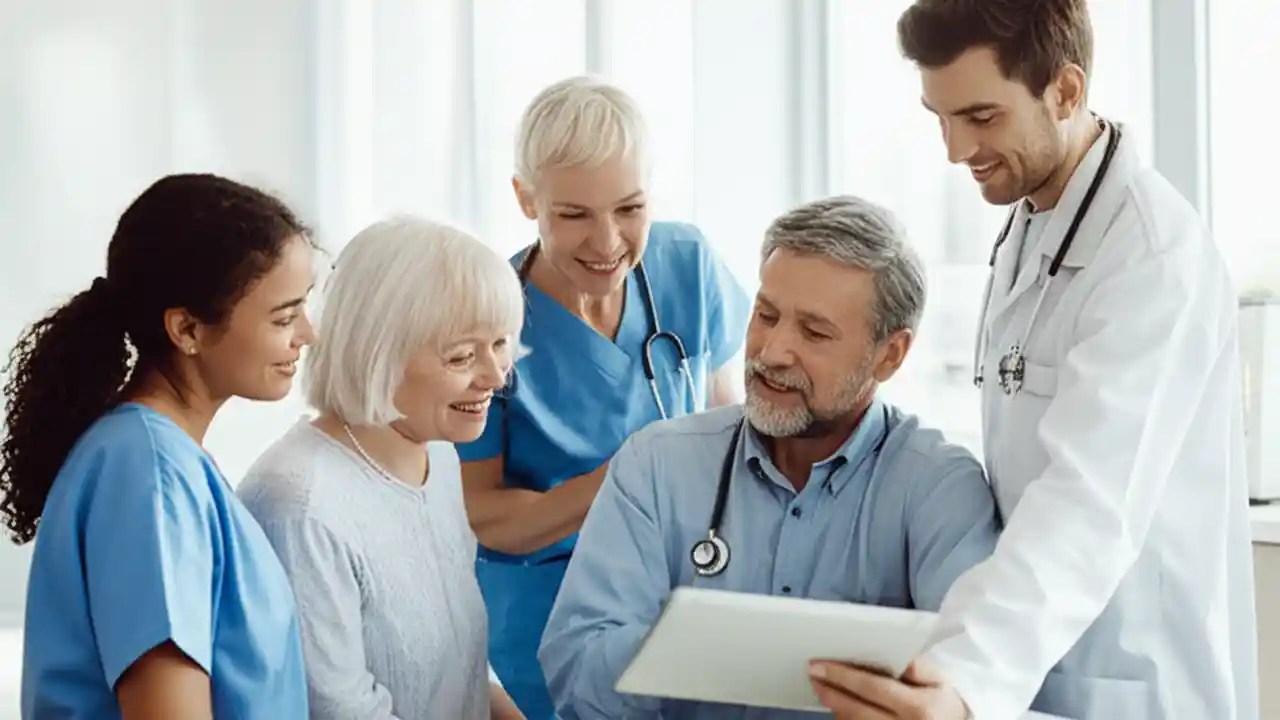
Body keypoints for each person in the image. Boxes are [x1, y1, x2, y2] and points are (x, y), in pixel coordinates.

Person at [808, 2, 1260, 719]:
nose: (955, 150)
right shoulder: (1032, 216)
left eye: (981, 118)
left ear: (1067, 90)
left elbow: (1088, 503)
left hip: (1132, 678)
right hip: (1036, 664)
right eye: (941, 117)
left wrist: (962, 679)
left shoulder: (1150, 257)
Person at [539, 195, 1002, 719]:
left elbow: (967, 678)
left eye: (814, 332)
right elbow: (575, 670)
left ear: (889, 353)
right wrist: (705, 649)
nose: (773, 350)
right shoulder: (657, 464)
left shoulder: (939, 489)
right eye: (766, 315)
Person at [457, 75, 752, 719]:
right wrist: (626, 481)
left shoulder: (686, 264)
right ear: (524, 199)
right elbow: (482, 513)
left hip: (683, 597)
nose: (608, 241)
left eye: (629, 209)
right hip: (551, 616)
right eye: (573, 215)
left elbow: (726, 424)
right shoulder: (489, 317)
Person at [2, 173, 316, 718]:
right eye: (284, 316)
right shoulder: (148, 472)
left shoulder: (159, 458)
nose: (307, 334)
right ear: (187, 329)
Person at [239, 216, 524, 720]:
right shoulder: (300, 505)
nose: (496, 377)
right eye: (462, 357)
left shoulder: (435, 455)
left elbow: (461, 664)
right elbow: (339, 709)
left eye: (500, 344)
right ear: (378, 354)